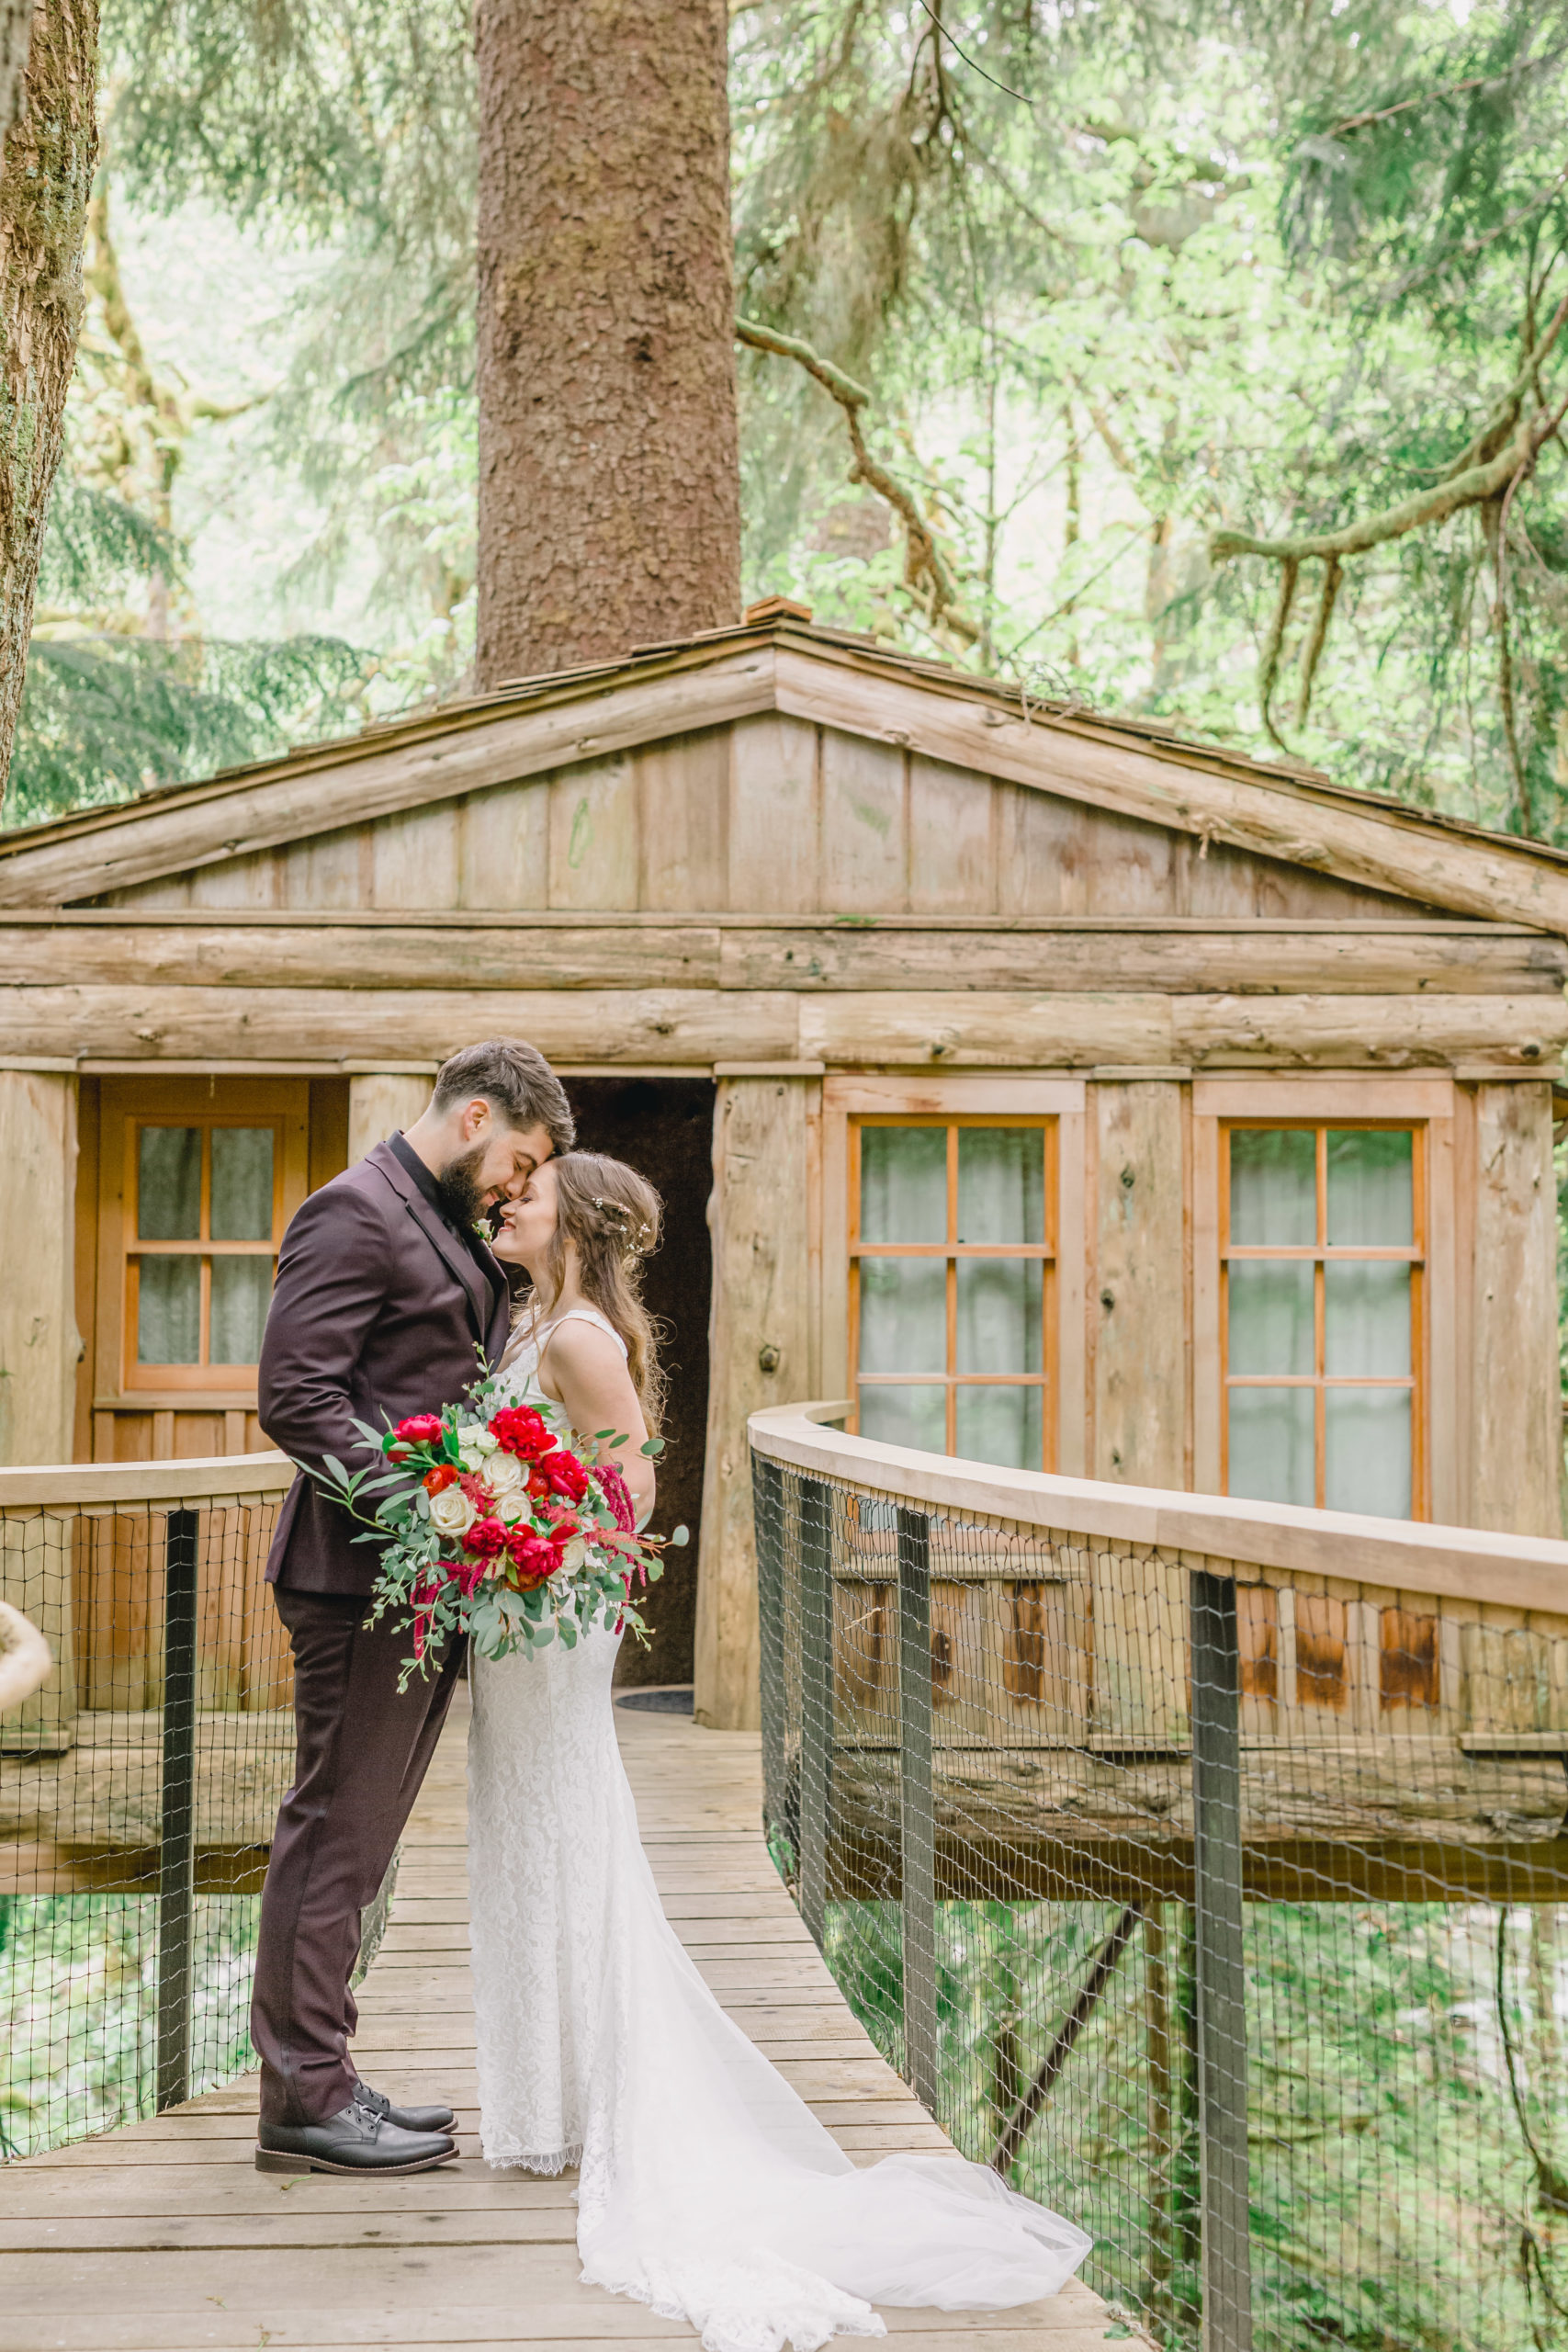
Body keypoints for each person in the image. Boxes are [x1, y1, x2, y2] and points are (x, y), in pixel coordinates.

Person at [468, 1150, 1091, 2351]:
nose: (508, 1202)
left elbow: (630, 1492)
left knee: (558, 1821)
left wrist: (521, 1534)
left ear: (578, 1223)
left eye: (529, 1192)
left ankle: (580, 2097)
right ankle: (547, 2095)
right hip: (516, 1615)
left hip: (546, 1613)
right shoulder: (537, 1321)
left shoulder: (575, 1340)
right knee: (523, 1825)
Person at [251, 1037, 574, 2177]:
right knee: (333, 1832)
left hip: (423, 1583)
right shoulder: (354, 1209)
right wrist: (429, 1503)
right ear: (477, 1116)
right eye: (520, 1160)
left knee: (365, 1838)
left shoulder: (432, 1217)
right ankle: (301, 2099)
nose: (518, 1188)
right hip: (355, 1578)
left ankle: (327, 2074)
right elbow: (295, 1396)